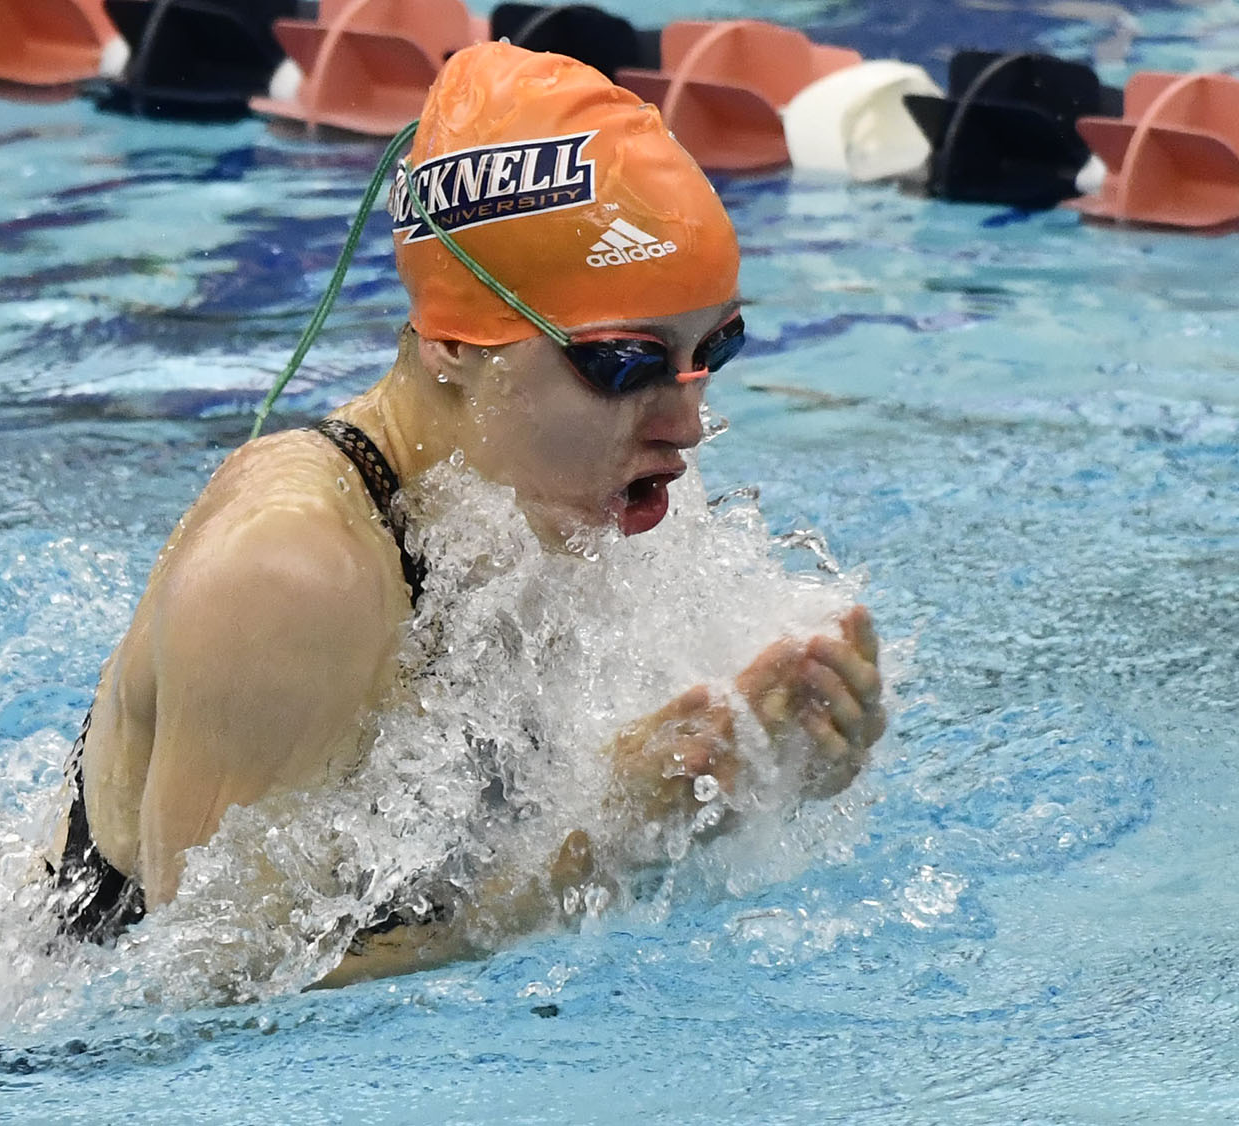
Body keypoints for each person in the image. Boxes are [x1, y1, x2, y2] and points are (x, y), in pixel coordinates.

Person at [45, 42, 886, 985]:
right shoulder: (288, 574)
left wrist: (774, 774)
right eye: (624, 365)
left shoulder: (543, 500)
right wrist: (598, 851)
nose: (686, 424)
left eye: (713, 352)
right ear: (453, 343)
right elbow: (210, 991)